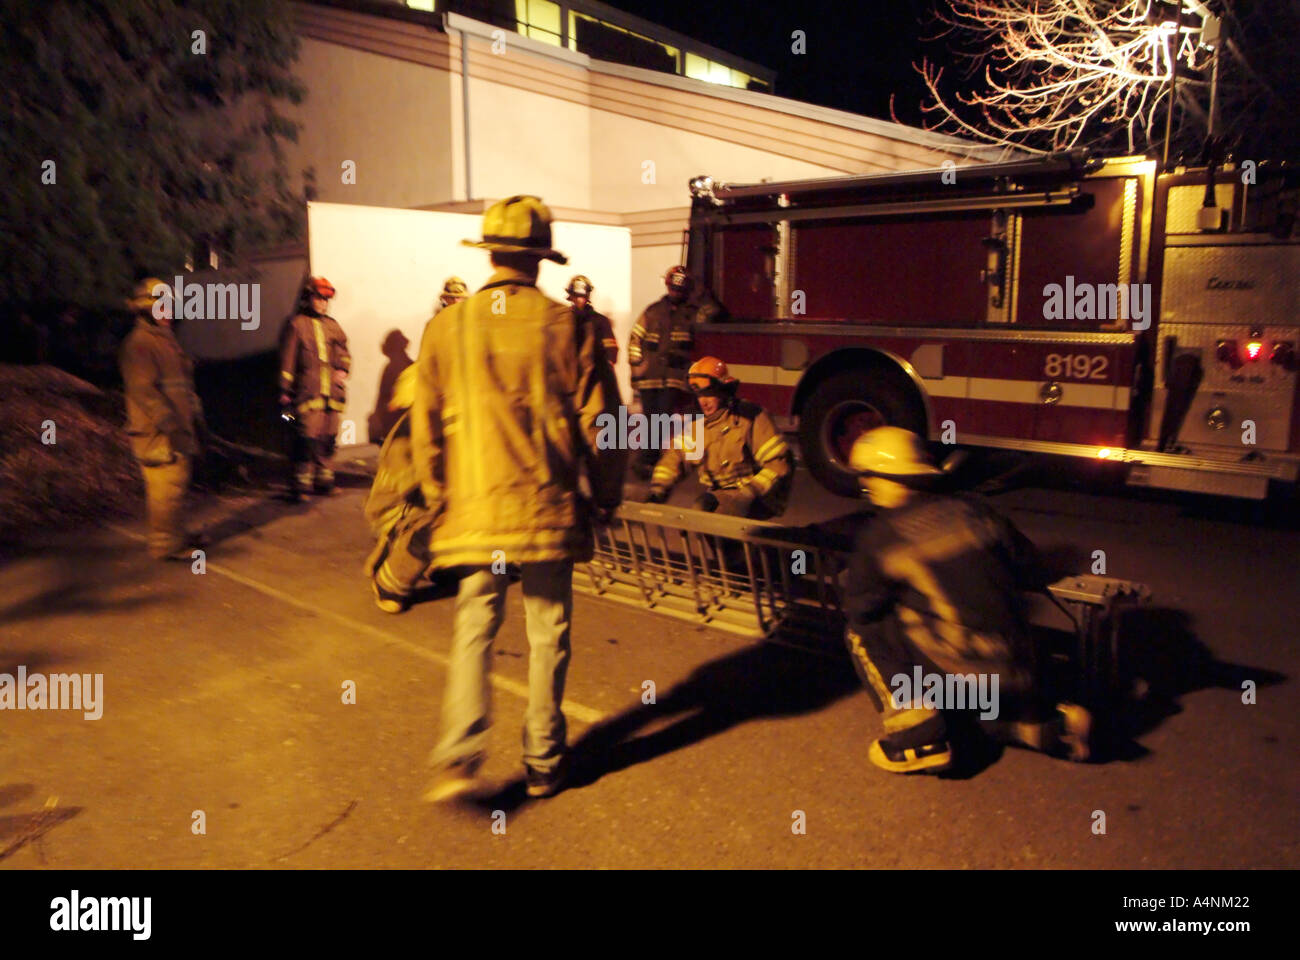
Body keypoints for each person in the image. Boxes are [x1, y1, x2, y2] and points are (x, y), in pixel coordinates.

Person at [411, 195, 626, 801]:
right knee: (547, 630)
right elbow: (602, 424)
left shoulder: (446, 328)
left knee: (474, 622)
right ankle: (543, 762)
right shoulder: (571, 326)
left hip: (474, 510)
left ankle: (458, 752)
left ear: (491, 253)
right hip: (546, 510)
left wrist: (434, 493)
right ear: (539, 260)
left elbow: (423, 424)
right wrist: (605, 495)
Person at [841, 426, 1092, 775]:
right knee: (967, 717)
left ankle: (917, 738)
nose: (865, 487)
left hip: (960, 673)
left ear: (882, 479)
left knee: (861, 632)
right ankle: (1046, 727)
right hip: (1018, 668)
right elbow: (1030, 566)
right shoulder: (975, 510)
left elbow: (861, 608)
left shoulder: (881, 536)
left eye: (866, 478)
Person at [119, 277, 206, 560]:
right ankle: (165, 545)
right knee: (164, 487)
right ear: (146, 311)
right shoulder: (140, 344)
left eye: (169, 307)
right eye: (162, 308)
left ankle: (175, 535)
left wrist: (192, 412)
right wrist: (168, 422)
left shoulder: (164, 342)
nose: (168, 313)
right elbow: (143, 390)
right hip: (158, 431)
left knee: (176, 483)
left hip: (175, 428)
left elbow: (179, 385)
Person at [645, 356, 792, 518]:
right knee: (700, 512)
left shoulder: (750, 417)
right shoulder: (698, 426)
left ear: (723, 392)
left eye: (709, 394)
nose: (704, 402)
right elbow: (675, 458)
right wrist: (658, 489)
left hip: (761, 495)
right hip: (724, 493)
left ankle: (752, 543)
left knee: (722, 516)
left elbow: (777, 464)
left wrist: (747, 494)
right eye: (700, 395)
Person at [278, 276, 351, 500]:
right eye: (318, 298)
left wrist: (343, 369)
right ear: (308, 298)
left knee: (328, 438)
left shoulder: (333, 326)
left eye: (325, 299)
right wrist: (285, 389)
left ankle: (324, 481)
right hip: (308, 392)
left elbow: (343, 352)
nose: (322, 303)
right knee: (307, 437)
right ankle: (300, 486)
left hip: (333, 394)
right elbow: (288, 359)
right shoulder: (297, 324)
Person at [627, 266, 697, 478]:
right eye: (674, 288)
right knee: (651, 419)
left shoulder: (692, 315)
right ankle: (648, 459)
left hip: (674, 378)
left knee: (663, 419)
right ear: (668, 286)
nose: (676, 292)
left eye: (680, 289)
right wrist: (637, 367)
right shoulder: (653, 311)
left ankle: (651, 459)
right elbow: (635, 339)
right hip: (650, 377)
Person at [565, 275, 617, 365]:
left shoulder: (601, 322)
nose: (578, 299)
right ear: (571, 296)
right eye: (575, 295)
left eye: (581, 296)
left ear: (587, 297)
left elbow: (611, 351)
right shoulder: (564, 320)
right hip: (569, 374)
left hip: (594, 375)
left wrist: (605, 370)